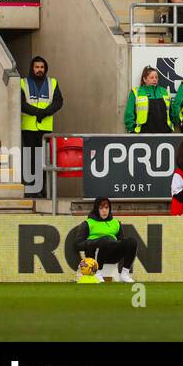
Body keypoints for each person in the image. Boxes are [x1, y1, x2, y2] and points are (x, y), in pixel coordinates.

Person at [66, 197, 140, 283]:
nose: (104, 211)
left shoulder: (116, 223)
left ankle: (125, 273)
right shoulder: (88, 223)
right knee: (105, 240)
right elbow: (77, 245)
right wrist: (97, 242)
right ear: (96, 209)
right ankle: (98, 272)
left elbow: (121, 241)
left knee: (131, 241)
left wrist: (111, 242)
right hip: (94, 255)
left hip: (113, 255)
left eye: (106, 208)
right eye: (101, 208)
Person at [19, 55, 61, 195]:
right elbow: (21, 103)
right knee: (30, 157)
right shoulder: (22, 83)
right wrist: (38, 112)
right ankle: (31, 188)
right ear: (32, 68)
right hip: (29, 127)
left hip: (45, 128)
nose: (39, 70)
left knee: (43, 159)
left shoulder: (53, 83)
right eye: (37, 67)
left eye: (42, 67)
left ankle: (41, 189)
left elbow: (58, 101)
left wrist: (45, 112)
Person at [124, 65, 173, 133]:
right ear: (144, 79)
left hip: (164, 132)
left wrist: (170, 128)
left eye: (156, 77)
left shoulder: (164, 91)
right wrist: (132, 130)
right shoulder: (136, 92)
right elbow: (129, 114)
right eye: (151, 77)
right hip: (143, 134)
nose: (154, 79)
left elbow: (171, 112)